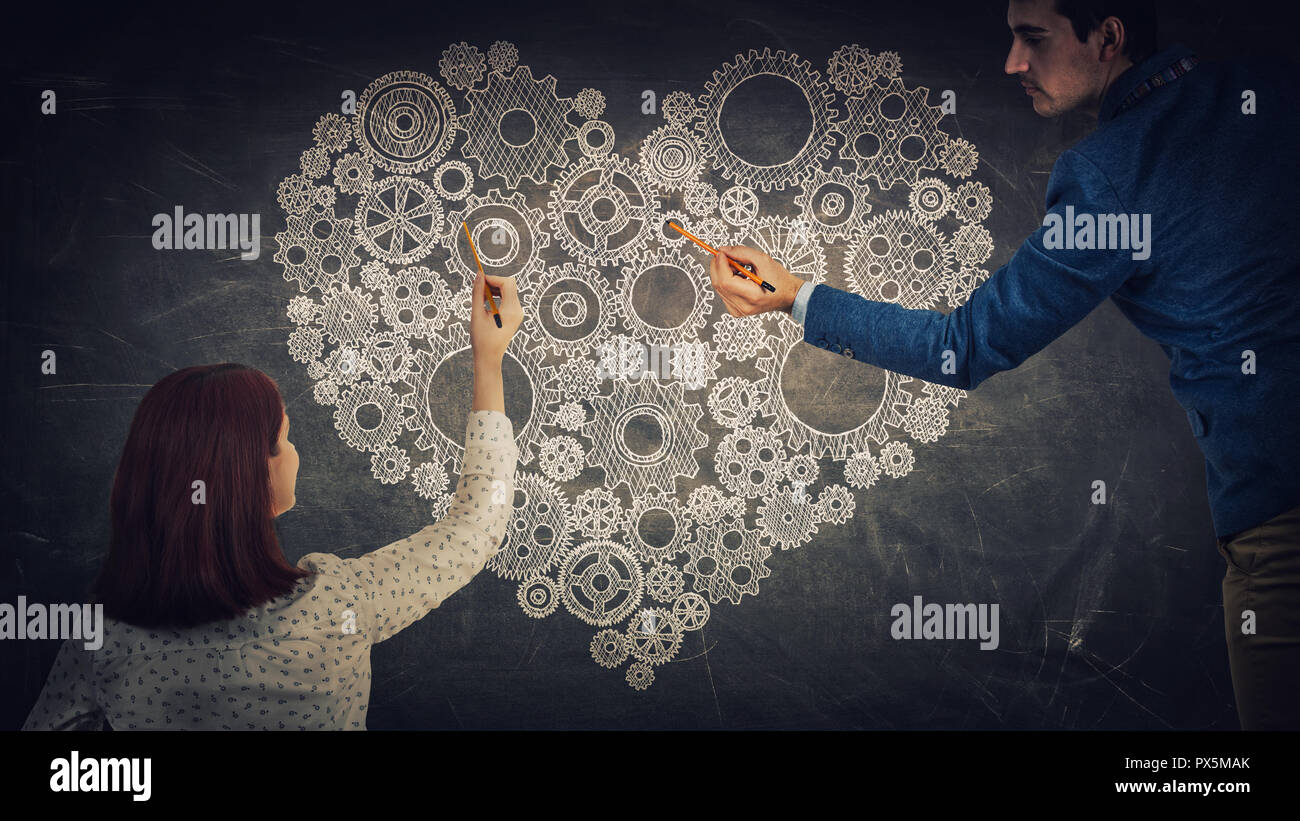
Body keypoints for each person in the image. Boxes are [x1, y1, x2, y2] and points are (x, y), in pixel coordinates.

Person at [706, 0, 1300, 729]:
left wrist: (794, 295)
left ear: (1109, 36)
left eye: (1034, 38)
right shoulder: (1274, 88)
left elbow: (967, 344)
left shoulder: (1111, 177)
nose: (1014, 63)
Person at [22, 267, 523, 730]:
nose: (295, 453)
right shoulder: (338, 605)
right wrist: (488, 362)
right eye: (285, 437)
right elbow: (475, 526)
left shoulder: (108, 638)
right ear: (252, 476)